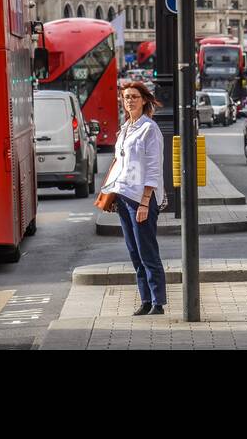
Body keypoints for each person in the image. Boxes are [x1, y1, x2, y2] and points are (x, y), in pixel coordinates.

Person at [101, 80, 166, 316]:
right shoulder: (125, 128)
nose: (129, 100)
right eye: (126, 97)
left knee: (148, 252)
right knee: (134, 252)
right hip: (124, 196)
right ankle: (145, 300)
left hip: (142, 199)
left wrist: (145, 201)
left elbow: (153, 168)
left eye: (134, 97)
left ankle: (158, 302)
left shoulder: (150, 129)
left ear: (144, 100)